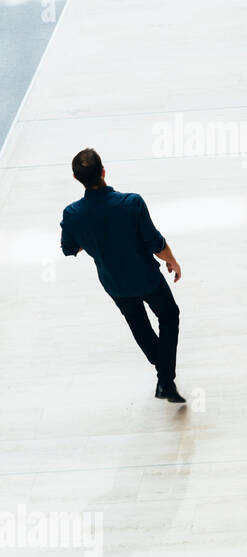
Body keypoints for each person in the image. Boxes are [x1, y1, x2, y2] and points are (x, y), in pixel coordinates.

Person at [59, 149, 186, 402]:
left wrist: (92, 239)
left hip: (114, 282)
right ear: (104, 171)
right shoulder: (131, 203)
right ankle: (165, 377)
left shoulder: (72, 214)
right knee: (169, 315)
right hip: (146, 276)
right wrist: (171, 259)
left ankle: (163, 374)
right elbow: (154, 242)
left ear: (76, 177)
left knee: (138, 323)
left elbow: (69, 248)